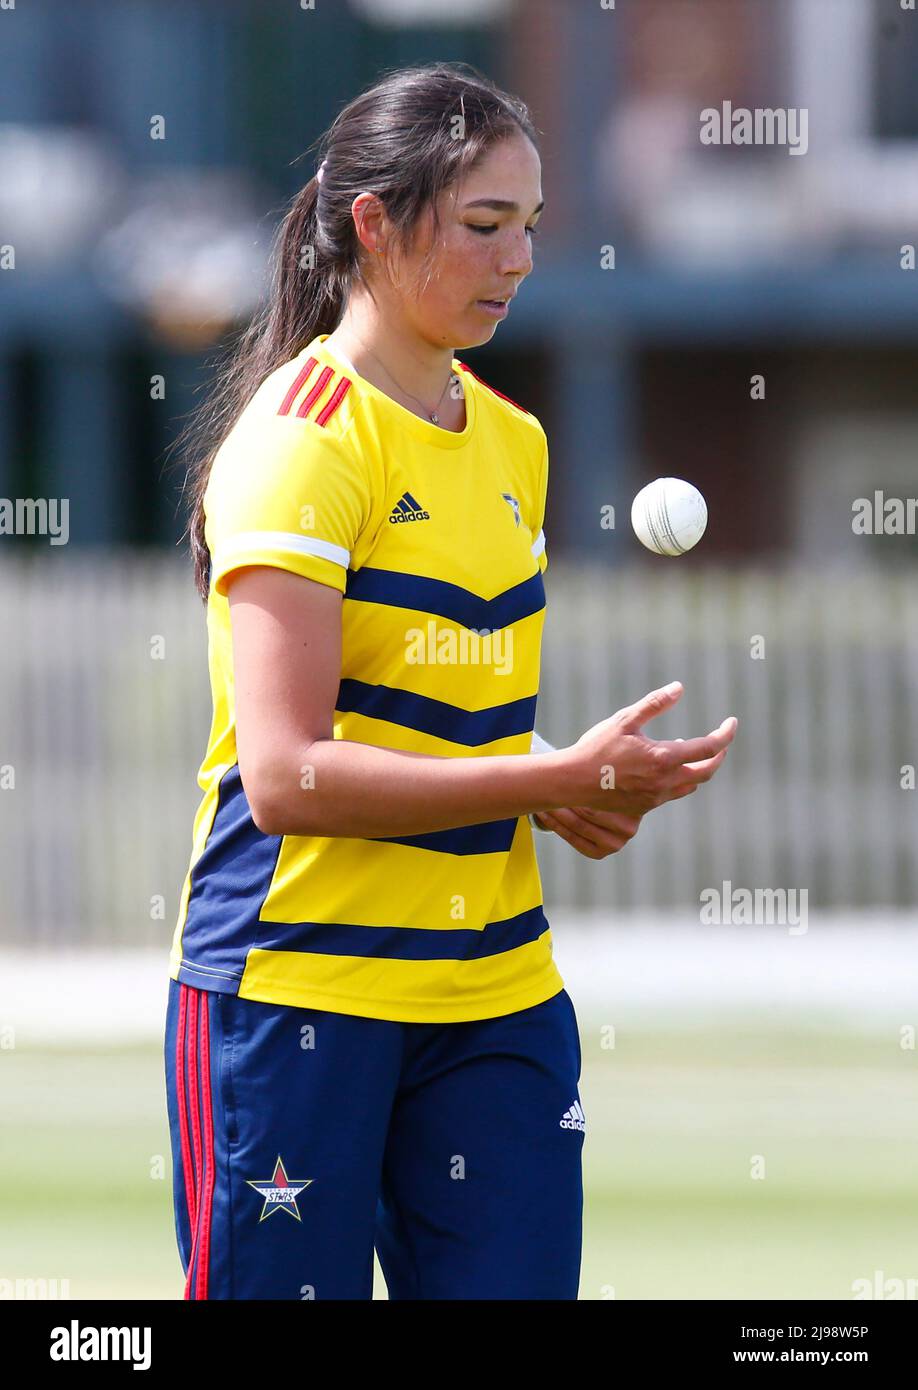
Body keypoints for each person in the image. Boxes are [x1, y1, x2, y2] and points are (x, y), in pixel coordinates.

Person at [164, 61, 737, 1301]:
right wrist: (548, 774)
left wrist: (566, 796)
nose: (518, 259)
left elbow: (465, 739)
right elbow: (287, 775)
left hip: (496, 990)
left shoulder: (518, 442)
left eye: (530, 226)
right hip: (296, 991)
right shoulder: (301, 443)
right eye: (483, 226)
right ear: (372, 223)